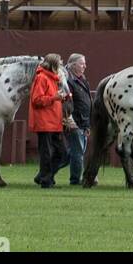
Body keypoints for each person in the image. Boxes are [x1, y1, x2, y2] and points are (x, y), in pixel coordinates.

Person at [29, 53, 70, 189]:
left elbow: (52, 98)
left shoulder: (53, 79)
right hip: (44, 123)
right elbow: (36, 100)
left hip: (54, 122)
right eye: (59, 64)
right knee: (47, 154)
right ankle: (46, 180)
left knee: (62, 153)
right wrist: (54, 97)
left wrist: (62, 98)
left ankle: (43, 176)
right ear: (53, 65)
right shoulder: (41, 78)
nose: (61, 67)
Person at [57, 53, 92, 186]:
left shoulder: (82, 80)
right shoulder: (68, 81)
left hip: (82, 123)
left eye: (84, 63)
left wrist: (87, 125)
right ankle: (75, 181)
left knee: (71, 155)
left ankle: (46, 173)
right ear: (72, 65)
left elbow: (86, 103)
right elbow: (67, 103)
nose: (85, 66)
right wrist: (70, 121)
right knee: (78, 154)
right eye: (82, 63)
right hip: (73, 123)